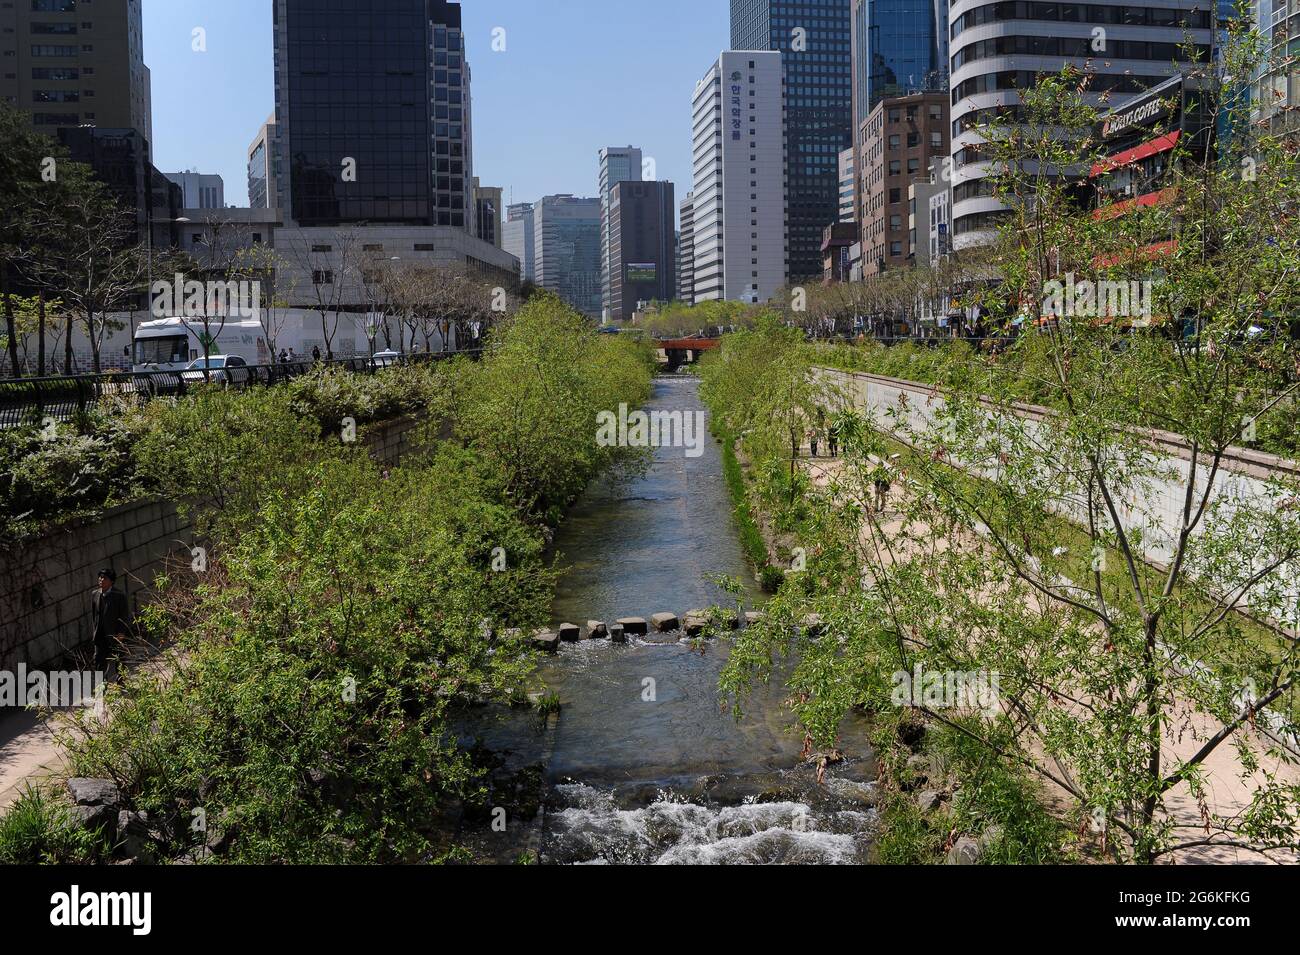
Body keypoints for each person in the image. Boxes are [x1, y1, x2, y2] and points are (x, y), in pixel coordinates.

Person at [90, 569, 129, 672]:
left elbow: (124, 615)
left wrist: (121, 633)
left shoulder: (119, 595)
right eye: (100, 577)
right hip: (100, 634)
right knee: (98, 660)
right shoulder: (95, 594)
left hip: (115, 634)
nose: (101, 580)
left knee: (119, 660)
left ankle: (121, 680)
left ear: (111, 581)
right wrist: (94, 632)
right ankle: (101, 681)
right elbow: (94, 615)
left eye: (105, 578)